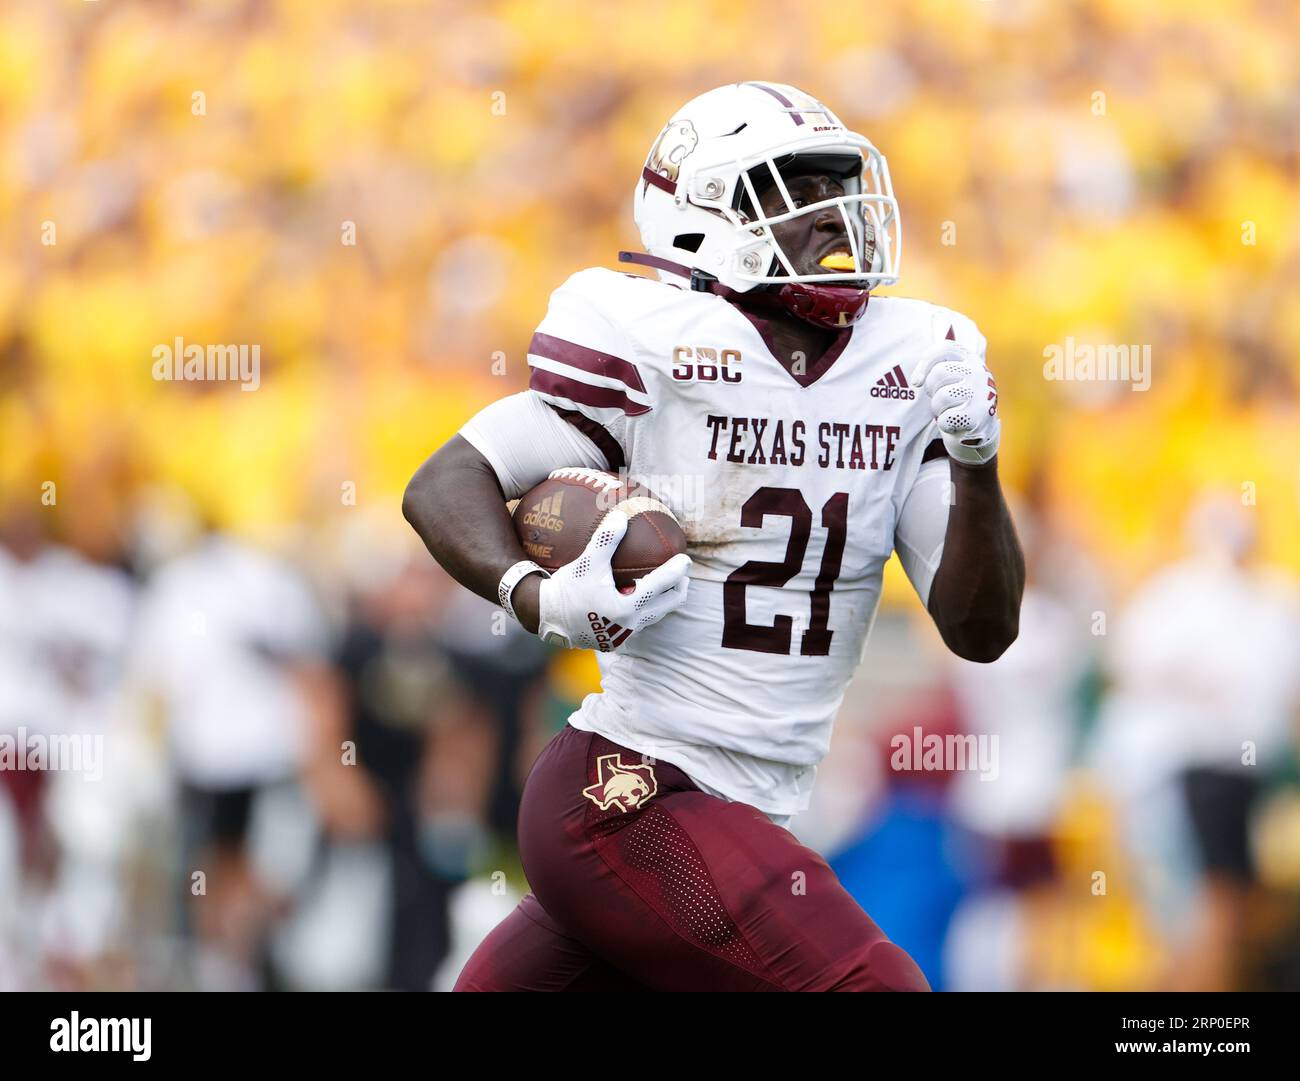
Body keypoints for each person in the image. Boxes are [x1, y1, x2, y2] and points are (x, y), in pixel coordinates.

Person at [404, 82, 1024, 991]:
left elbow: (982, 630)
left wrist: (975, 464)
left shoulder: (916, 360)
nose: (835, 216)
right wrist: (534, 594)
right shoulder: (653, 342)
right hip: (626, 791)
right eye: (797, 190)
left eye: (839, 185)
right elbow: (444, 483)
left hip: (729, 813)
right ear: (702, 218)